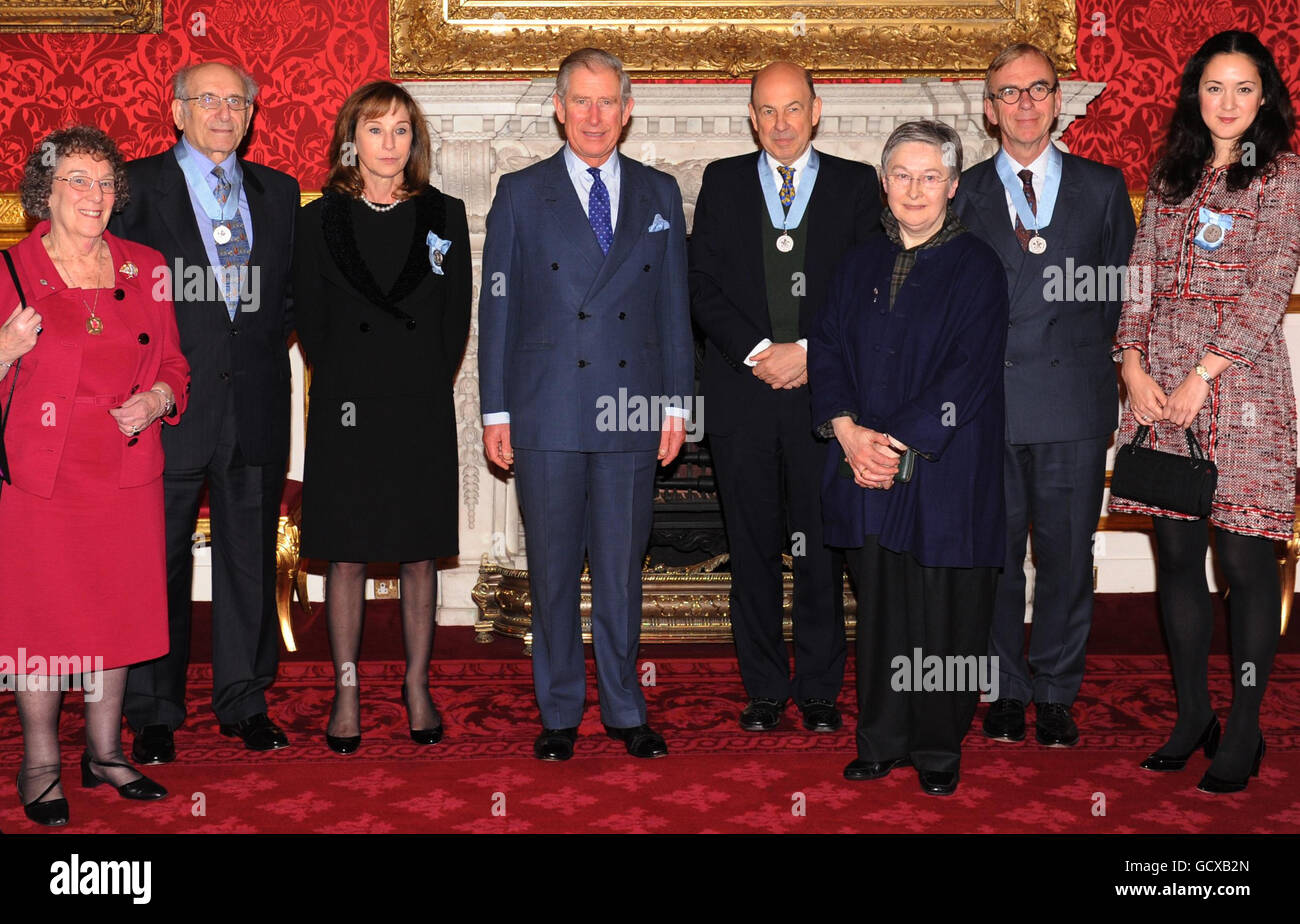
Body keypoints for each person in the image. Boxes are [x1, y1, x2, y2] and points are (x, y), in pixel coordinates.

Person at [478, 47, 694, 761]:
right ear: (560, 108)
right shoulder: (518, 191)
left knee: (620, 570)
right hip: (547, 410)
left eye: (608, 102)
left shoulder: (660, 193)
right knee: (551, 570)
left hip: (633, 409)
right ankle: (560, 711)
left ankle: (627, 709)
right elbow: (498, 306)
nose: (595, 116)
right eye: (582, 101)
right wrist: (495, 409)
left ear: (627, 110)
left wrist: (677, 404)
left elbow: (673, 307)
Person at [1110, 30, 1300, 794]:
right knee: (1178, 560)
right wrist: (1130, 362)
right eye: (1214, 88)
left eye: (1243, 89)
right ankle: (1194, 714)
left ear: (1265, 99)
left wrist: (1202, 376)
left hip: (1242, 389)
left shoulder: (1281, 175)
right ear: (1196, 95)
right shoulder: (1172, 174)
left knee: (1246, 566)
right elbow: (1140, 270)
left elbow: (1269, 284)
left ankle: (1246, 726)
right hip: (1159, 388)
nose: (1227, 103)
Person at [808, 120, 1009, 796]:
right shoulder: (858, 260)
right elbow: (827, 348)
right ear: (884, 183)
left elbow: (968, 374)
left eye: (930, 176)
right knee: (882, 609)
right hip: (864, 464)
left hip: (946, 472)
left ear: (952, 186)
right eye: (902, 175)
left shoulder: (978, 266)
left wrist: (891, 444)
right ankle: (881, 737)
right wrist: (846, 433)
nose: (915, 189)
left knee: (944, 611)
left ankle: (937, 746)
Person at [111, 61, 300, 762]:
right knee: (155, 562)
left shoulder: (279, 195)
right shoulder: (134, 190)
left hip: (252, 401)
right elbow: (114, 290)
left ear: (252, 114)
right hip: (165, 405)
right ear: (177, 110)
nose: (224, 111)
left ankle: (244, 699)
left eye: (237, 101)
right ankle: (154, 709)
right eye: (208, 99)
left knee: (248, 557)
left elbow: (287, 300)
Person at [0, 126, 189, 825]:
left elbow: (175, 365)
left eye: (105, 183)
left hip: (124, 471)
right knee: (43, 626)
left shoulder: (146, 267)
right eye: (77, 180)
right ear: (44, 192)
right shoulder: (12, 272)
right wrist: (3, 347)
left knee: (115, 614)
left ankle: (107, 753)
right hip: (41, 481)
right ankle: (41, 764)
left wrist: (158, 399)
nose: (95, 195)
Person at [954, 43, 1136, 748]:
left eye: (1037, 89)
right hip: (988, 406)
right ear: (989, 107)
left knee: (1065, 554)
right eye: (1009, 92)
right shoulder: (961, 191)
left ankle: (1057, 690)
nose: (1024, 103)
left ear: (1058, 101)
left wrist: (1125, 375)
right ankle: (1003, 690)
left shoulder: (1103, 186)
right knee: (995, 555)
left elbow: (1125, 296)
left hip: (1074, 405)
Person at [689, 61, 880, 734]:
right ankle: (765, 688)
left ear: (817, 109)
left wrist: (811, 354)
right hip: (743, 396)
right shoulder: (723, 181)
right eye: (767, 111)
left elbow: (867, 289)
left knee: (821, 549)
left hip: (824, 398)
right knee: (752, 547)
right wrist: (758, 352)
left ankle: (822, 689)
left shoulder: (858, 186)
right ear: (751, 116)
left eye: (792, 108)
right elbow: (701, 283)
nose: (781, 123)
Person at [294, 81, 471, 754]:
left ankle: (417, 685)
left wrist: (425, 379)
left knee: (420, 553)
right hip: (347, 407)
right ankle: (346, 691)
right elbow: (311, 319)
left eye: (401, 130)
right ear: (352, 140)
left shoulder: (445, 214)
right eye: (376, 130)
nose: (389, 143)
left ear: (414, 142)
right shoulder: (318, 220)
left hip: (419, 401)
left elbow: (455, 317)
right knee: (345, 555)